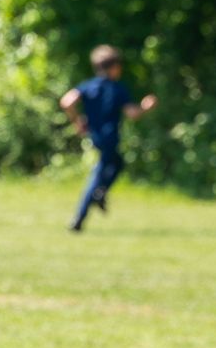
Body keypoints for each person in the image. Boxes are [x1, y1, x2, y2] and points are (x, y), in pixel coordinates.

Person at [60, 45, 157, 231]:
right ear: (113, 67)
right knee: (99, 174)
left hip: (95, 137)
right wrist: (145, 107)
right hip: (110, 137)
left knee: (117, 164)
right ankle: (80, 217)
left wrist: (77, 122)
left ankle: (99, 194)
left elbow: (67, 101)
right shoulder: (117, 89)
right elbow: (132, 113)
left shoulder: (89, 86)